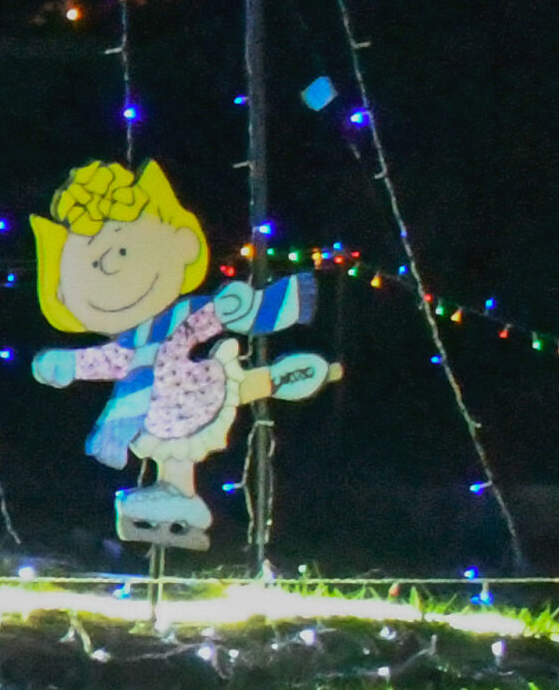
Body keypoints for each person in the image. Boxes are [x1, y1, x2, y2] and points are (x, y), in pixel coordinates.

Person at [25, 159, 334, 549]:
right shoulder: (128, 343)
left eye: (120, 246)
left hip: (191, 394)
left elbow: (215, 316)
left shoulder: (180, 317)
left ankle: (186, 499)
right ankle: (173, 499)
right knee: (172, 451)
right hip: (155, 411)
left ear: (183, 242)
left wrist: (247, 305)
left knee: (188, 442)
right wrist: (68, 364)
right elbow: (107, 360)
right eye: (93, 259)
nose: (111, 264)